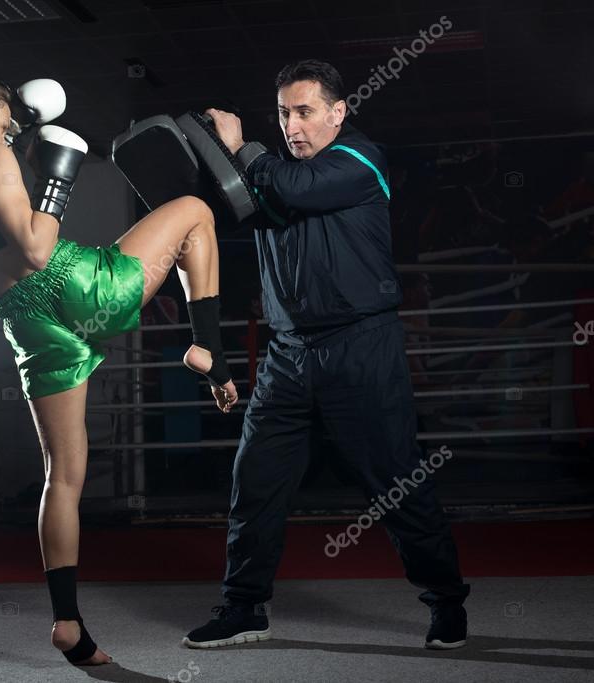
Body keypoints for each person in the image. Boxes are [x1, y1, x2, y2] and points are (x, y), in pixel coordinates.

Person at [0, 37, 238, 666]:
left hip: (26, 323)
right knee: (192, 211)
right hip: (75, 289)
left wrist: (28, 156)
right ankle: (209, 351)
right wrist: (58, 175)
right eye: (2, 121)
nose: (8, 133)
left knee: (64, 477)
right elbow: (33, 247)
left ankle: (68, 622)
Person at [182, 59, 471, 651]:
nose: (294, 124)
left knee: (395, 483)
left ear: (339, 113)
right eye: (285, 113)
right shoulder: (273, 176)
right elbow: (214, 212)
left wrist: (245, 148)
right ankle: (243, 608)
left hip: (361, 347)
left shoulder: (360, 161)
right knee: (255, 482)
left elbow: (296, 188)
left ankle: (446, 603)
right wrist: (206, 151)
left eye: (306, 112)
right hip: (288, 356)